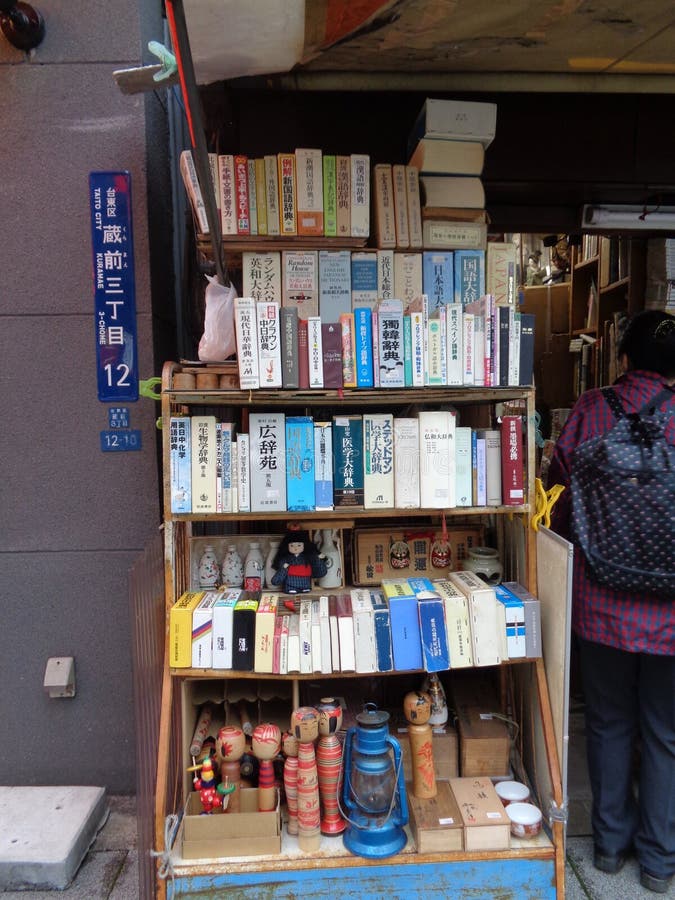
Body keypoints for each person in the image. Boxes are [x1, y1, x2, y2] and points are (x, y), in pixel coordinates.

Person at [548, 309, 675, 894]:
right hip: (672, 617)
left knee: (606, 722)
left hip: (601, 604)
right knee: (665, 733)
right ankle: (658, 862)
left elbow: (557, 496)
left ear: (622, 358)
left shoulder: (592, 408)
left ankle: (606, 848)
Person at [270, 526, 327, 594]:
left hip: (305, 583)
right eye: (292, 545)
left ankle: (305, 587)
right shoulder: (285, 559)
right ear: (286, 546)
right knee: (290, 584)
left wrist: (317, 558)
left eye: (299, 545)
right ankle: (291, 588)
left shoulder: (308, 558)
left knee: (306, 585)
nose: (295, 548)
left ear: (305, 545)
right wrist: (284, 568)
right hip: (290, 584)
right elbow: (279, 574)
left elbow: (319, 571)